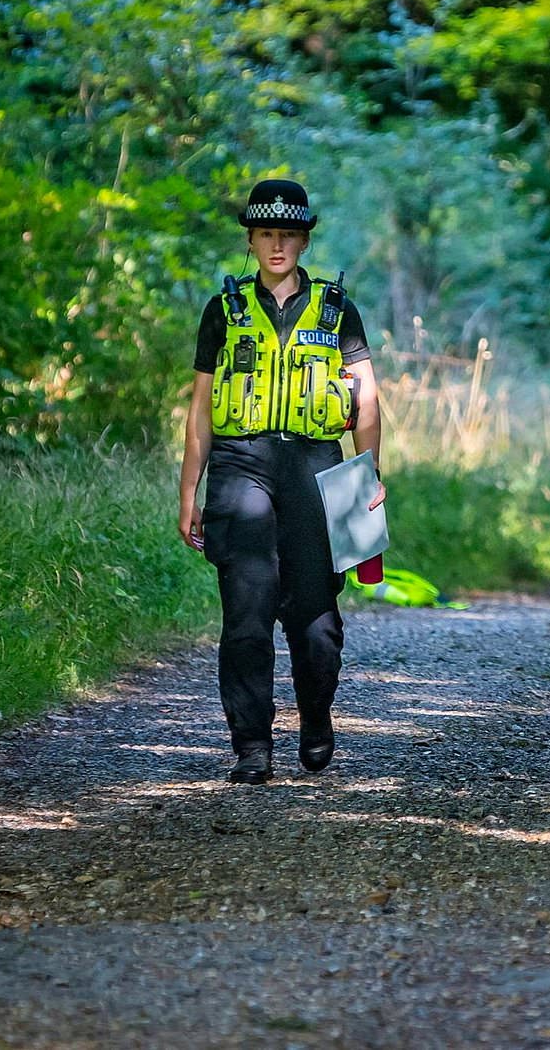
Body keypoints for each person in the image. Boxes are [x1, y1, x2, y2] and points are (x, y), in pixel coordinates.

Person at [177, 179, 387, 783]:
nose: (277, 245)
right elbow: (201, 408)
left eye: (288, 234)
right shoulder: (224, 311)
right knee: (246, 613)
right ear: (250, 238)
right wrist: (188, 491)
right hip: (240, 463)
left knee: (316, 622)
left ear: (304, 241)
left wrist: (368, 475)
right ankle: (252, 745)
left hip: (316, 467)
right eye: (266, 233)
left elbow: (367, 399)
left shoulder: (337, 310)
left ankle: (316, 717)